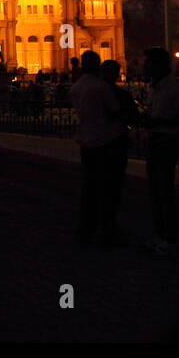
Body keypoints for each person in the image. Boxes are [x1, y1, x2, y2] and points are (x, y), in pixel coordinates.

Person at [70, 51, 124, 246]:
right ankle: (107, 229)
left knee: (89, 185)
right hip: (104, 141)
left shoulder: (76, 87)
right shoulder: (101, 87)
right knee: (107, 186)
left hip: (85, 140)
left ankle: (85, 228)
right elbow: (114, 112)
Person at [141, 47, 179, 255]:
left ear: (159, 66)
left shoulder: (174, 88)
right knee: (155, 191)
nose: (144, 67)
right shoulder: (153, 88)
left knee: (165, 191)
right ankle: (160, 235)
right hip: (155, 140)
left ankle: (170, 239)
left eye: (148, 63)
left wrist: (162, 121)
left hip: (167, 140)